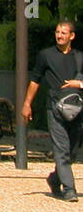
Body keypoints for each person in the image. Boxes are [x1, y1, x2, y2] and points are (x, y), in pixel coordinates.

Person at [23, 19, 83, 201]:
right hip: (54, 109)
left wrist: (78, 83)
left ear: (72, 36)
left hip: (77, 111)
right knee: (61, 149)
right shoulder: (46, 55)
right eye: (57, 32)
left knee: (71, 152)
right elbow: (35, 80)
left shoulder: (80, 57)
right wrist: (27, 104)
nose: (59, 35)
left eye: (63, 33)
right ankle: (69, 189)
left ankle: (54, 179)